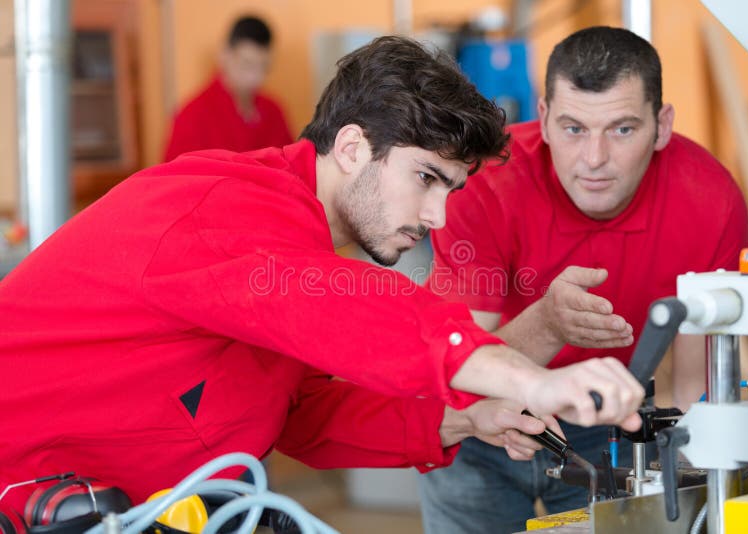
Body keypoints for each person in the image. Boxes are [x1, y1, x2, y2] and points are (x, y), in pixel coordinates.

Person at [0, 36, 645, 516]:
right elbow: (355, 310)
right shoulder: (223, 207)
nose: (439, 216)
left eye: (452, 189)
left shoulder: (296, 235)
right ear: (352, 148)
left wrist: (464, 420)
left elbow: (302, 413)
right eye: (426, 178)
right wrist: (536, 378)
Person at [419, 26, 748, 533]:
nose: (594, 159)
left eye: (621, 129)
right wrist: (548, 324)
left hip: (614, 424)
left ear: (661, 126)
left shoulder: (708, 198)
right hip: (480, 431)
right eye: (574, 129)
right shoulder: (485, 185)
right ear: (545, 120)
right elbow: (456, 372)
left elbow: (689, 387)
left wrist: (677, 495)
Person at [163, 15, 293, 162]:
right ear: (224, 54)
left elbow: (291, 168)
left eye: (264, 67)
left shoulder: (274, 111)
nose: (256, 77)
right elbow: (174, 179)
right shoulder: (191, 116)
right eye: (247, 64)